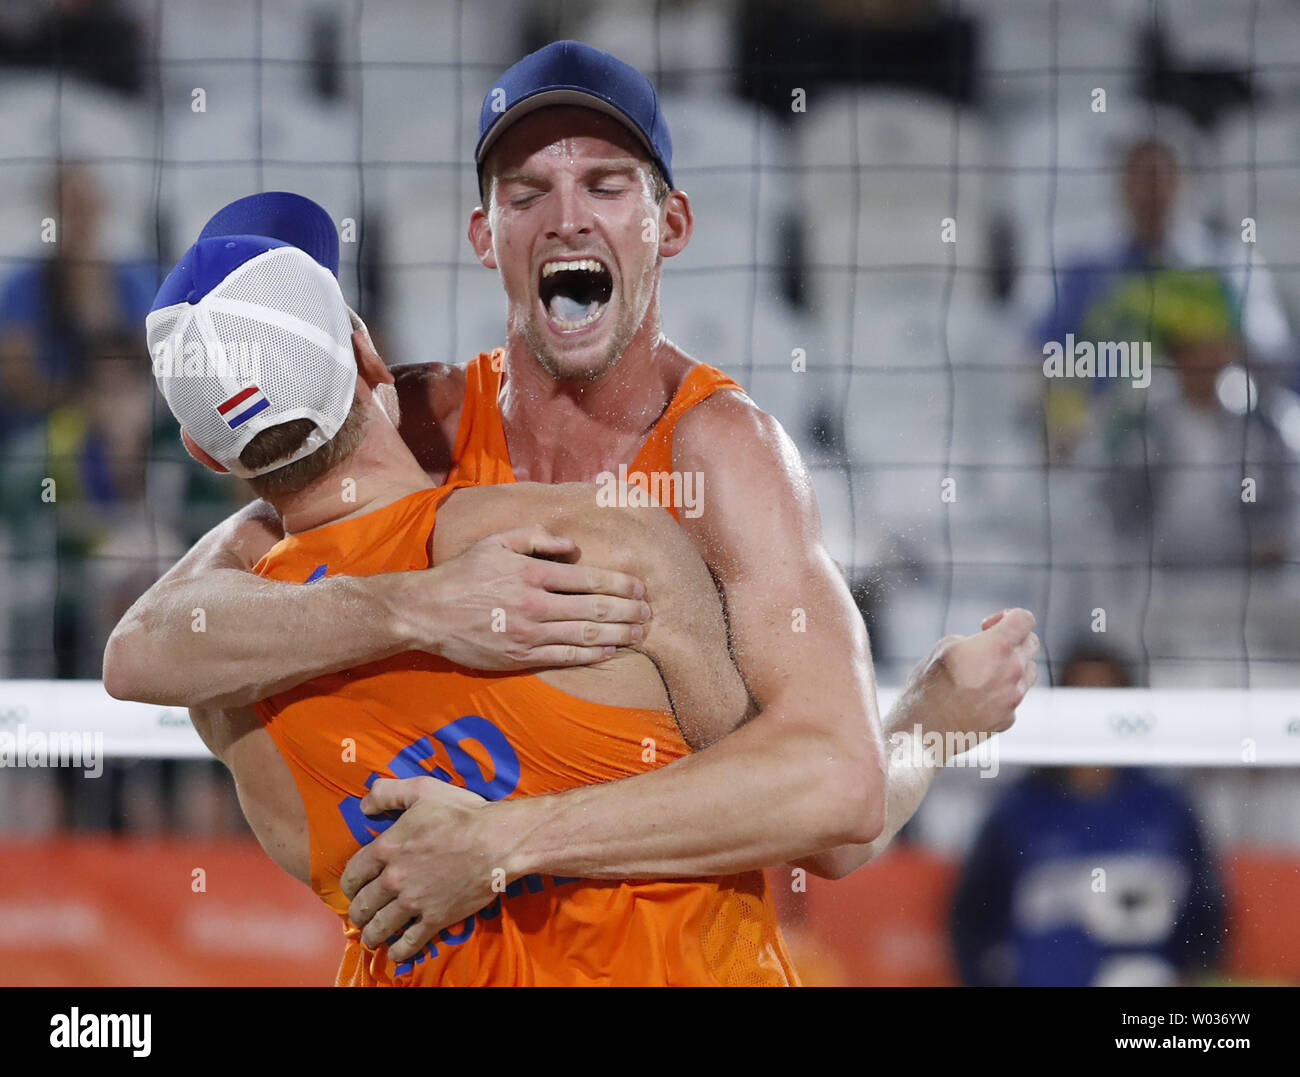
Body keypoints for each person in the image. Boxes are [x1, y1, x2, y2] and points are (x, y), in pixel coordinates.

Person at [106, 43, 1038, 967]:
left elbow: (836, 798)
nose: (565, 218)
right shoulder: (421, 420)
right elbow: (147, 640)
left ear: (668, 225)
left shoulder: (722, 456)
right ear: (482, 237)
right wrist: (423, 605)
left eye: (604, 184)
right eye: (524, 194)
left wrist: (505, 843)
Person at [147, 212, 801, 984]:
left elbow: (147, 643)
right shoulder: (592, 537)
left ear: (202, 453)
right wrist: (932, 726)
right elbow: (793, 809)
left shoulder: (224, 689)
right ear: (367, 354)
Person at [949, 644, 1225, 987]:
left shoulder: (1168, 806)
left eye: (1106, 697)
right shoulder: (1016, 811)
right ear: (1060, 708)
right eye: (1082, 697)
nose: (1094, 714)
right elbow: (973, 921)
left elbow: (1207, 915)